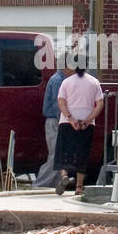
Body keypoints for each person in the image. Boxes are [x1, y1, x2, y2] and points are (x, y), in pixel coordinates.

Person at [54, 61, 104, 197]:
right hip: (86, 123)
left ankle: (64, 176)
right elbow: (99, 104)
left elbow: (61, 101)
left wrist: (70, 118)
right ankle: (79, 186)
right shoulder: (94, 82)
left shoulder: (67, 82)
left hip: (66, 122)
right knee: (82, 154)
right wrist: (88, 120)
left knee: (63, 151)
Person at [34, 56, 70, 187]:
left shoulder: (61, 80)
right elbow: (58, 104)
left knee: (58, 155)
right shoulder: (58, 81)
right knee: (55, 155)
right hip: (55, 122)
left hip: (56, 121)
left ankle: (54, 184)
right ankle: (39, 184)